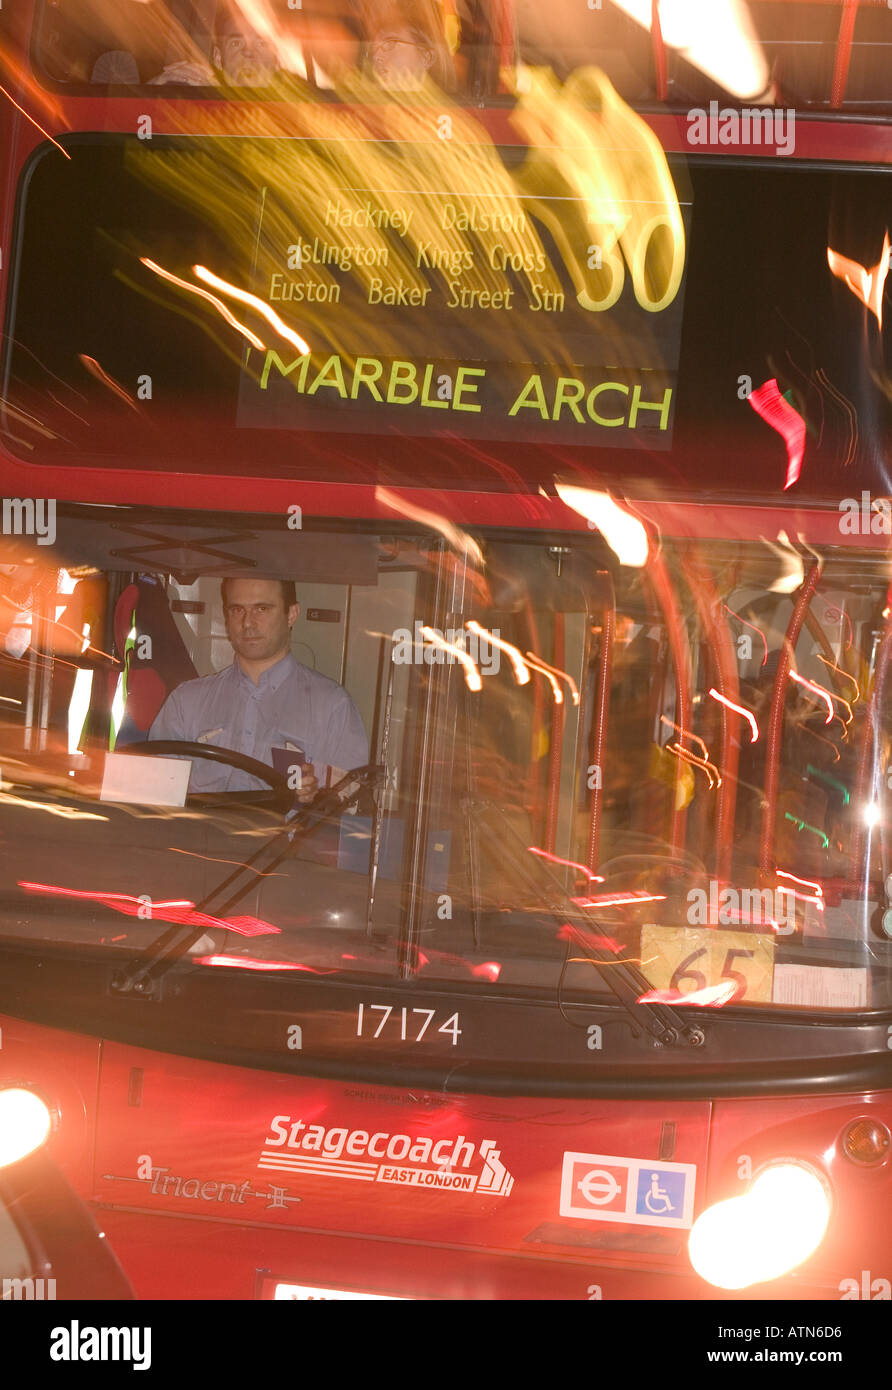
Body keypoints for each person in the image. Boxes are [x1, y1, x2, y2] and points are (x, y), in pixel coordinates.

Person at [148, 576, 368, 800]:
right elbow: (152, 791)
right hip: (196, 832)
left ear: (292, 614)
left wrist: (318, 794)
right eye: (237, 610)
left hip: (285, 834)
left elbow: (350, 805)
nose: (247, 623)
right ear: (226, 616)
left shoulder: (332, 706)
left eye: (261, 609)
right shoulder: (186, 702)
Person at [149, 4, 280, 87]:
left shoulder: (297, 118)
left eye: (262, 44)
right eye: (236, 43)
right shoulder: (196, 107)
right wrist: (154, 91)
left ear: (278, 61)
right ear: (218, 58)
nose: (248, 53)